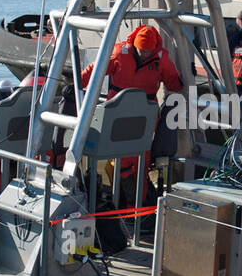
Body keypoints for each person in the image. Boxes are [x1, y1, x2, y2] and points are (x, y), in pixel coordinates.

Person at [78, 25, 184, 197]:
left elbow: (173, 83)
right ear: (135, 45)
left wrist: (182, 80)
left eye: (147, 51)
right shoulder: (119, 53)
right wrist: (76, 84)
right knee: (118, 154)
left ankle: (138, 201)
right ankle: (126, 188)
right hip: (117, 111)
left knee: (142, 156)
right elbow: (94, 70)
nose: (144, 54)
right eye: (141, 50)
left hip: (145, 113)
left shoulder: (162, 59)